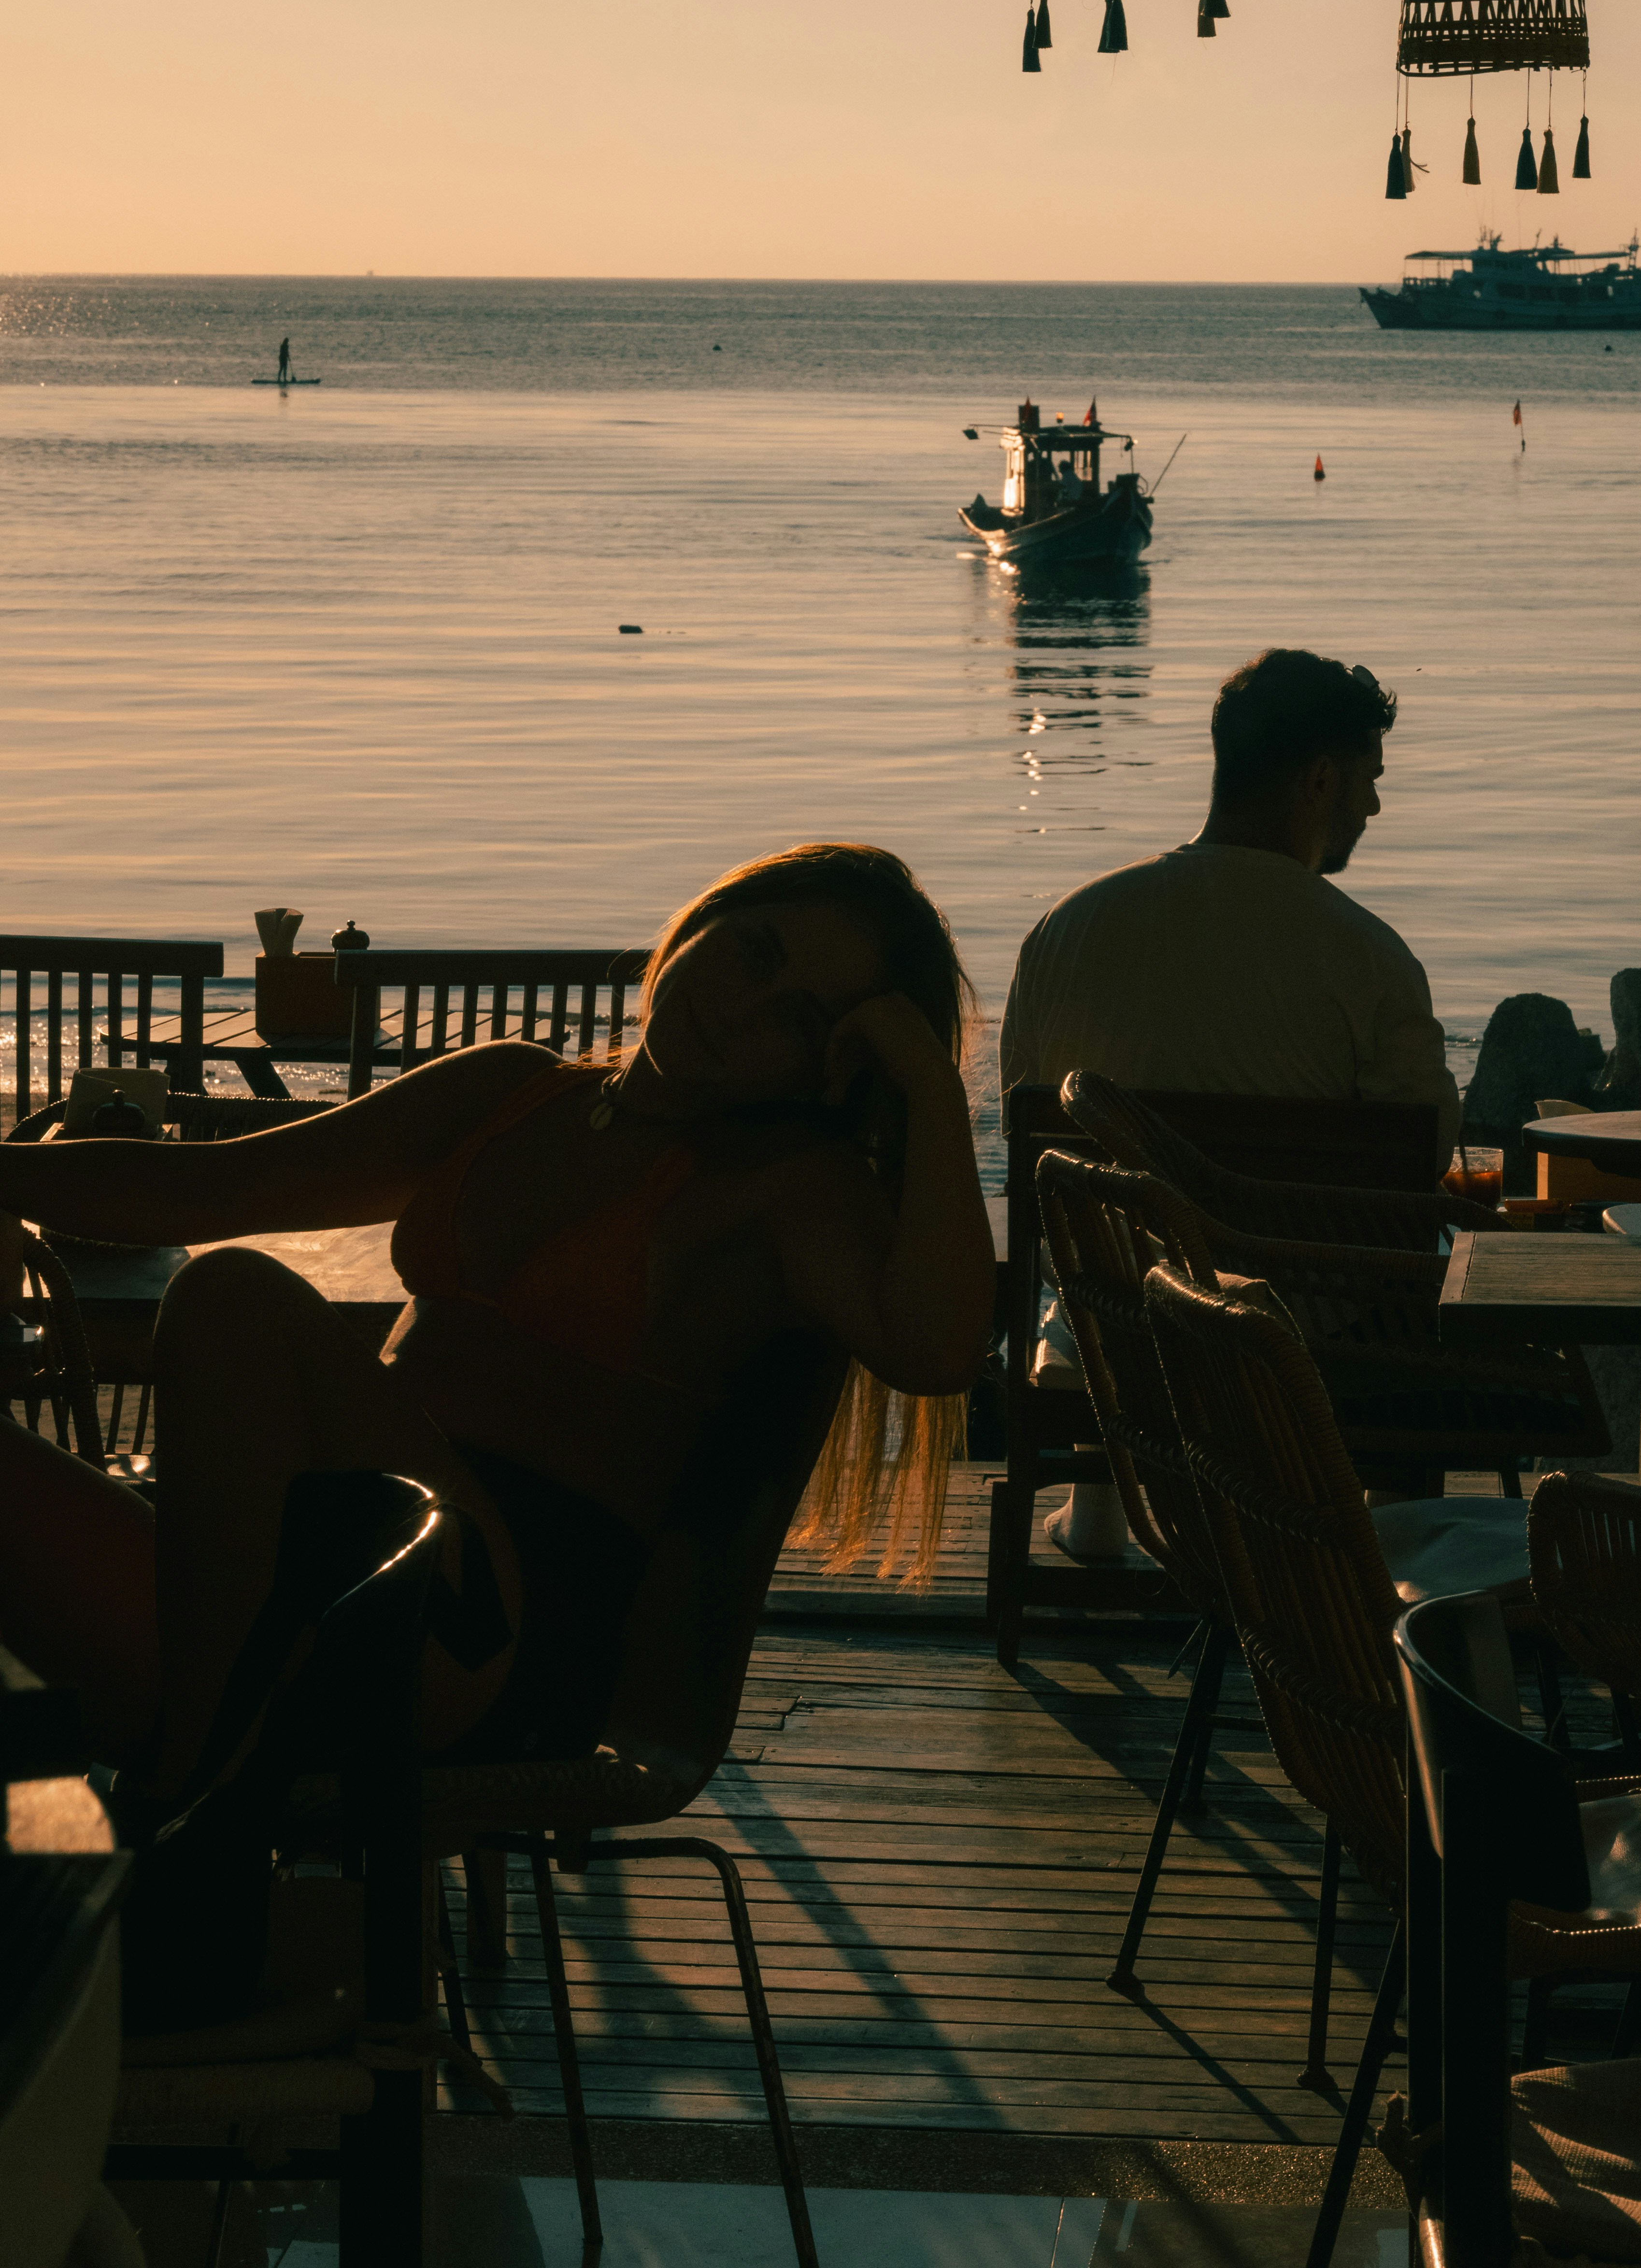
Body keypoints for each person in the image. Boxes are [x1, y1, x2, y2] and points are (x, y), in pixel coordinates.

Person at [0, 844, 993, 1804]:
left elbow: (938, 1350)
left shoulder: (782, 1191)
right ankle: (203, 1792)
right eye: (752, 953)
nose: (741, 1008)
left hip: (480, 1633)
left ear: (825, 1072)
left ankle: (200, 1798)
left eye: (797, 1018)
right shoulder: (509, 1091)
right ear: (704, 919)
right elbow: (205, 1190)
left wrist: (928, 1085)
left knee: (232, 1299)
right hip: (303, 1576)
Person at [1000, 648, 1459, 1553]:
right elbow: (1423, 1160)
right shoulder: (1365, 956)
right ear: (1321, 779)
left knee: (1121, 1234)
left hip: (1115, 1315)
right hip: (1306, 1336)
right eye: (1369, 779)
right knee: (1419, 1272)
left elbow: (1031, 1122)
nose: (1373, 804)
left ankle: (1100, 1506)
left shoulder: (1068, 928)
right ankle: (1369, 1542)